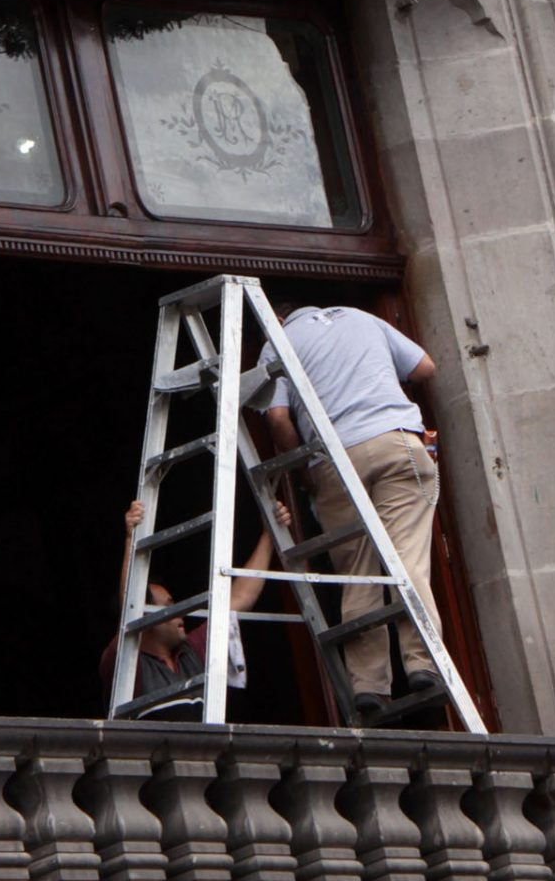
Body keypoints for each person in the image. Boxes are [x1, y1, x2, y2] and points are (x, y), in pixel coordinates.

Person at [261, 301, 441, 721]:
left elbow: (277, 418)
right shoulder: (365, 318)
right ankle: (423, 666)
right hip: (396, 443)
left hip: (335, 461)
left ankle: (369, 687)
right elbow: (425, 368)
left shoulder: (279, 339)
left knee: (356, 572)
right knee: (408, 560)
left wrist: (304, 467)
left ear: (283, 315)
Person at [98, 497, 288, 716]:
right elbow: (129, 611)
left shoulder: (192, 650)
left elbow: (239, 598)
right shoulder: (130, 666)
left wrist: (269, 535)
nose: (181, 613)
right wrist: (132, 539)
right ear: (145, 617)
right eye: (170, 606)